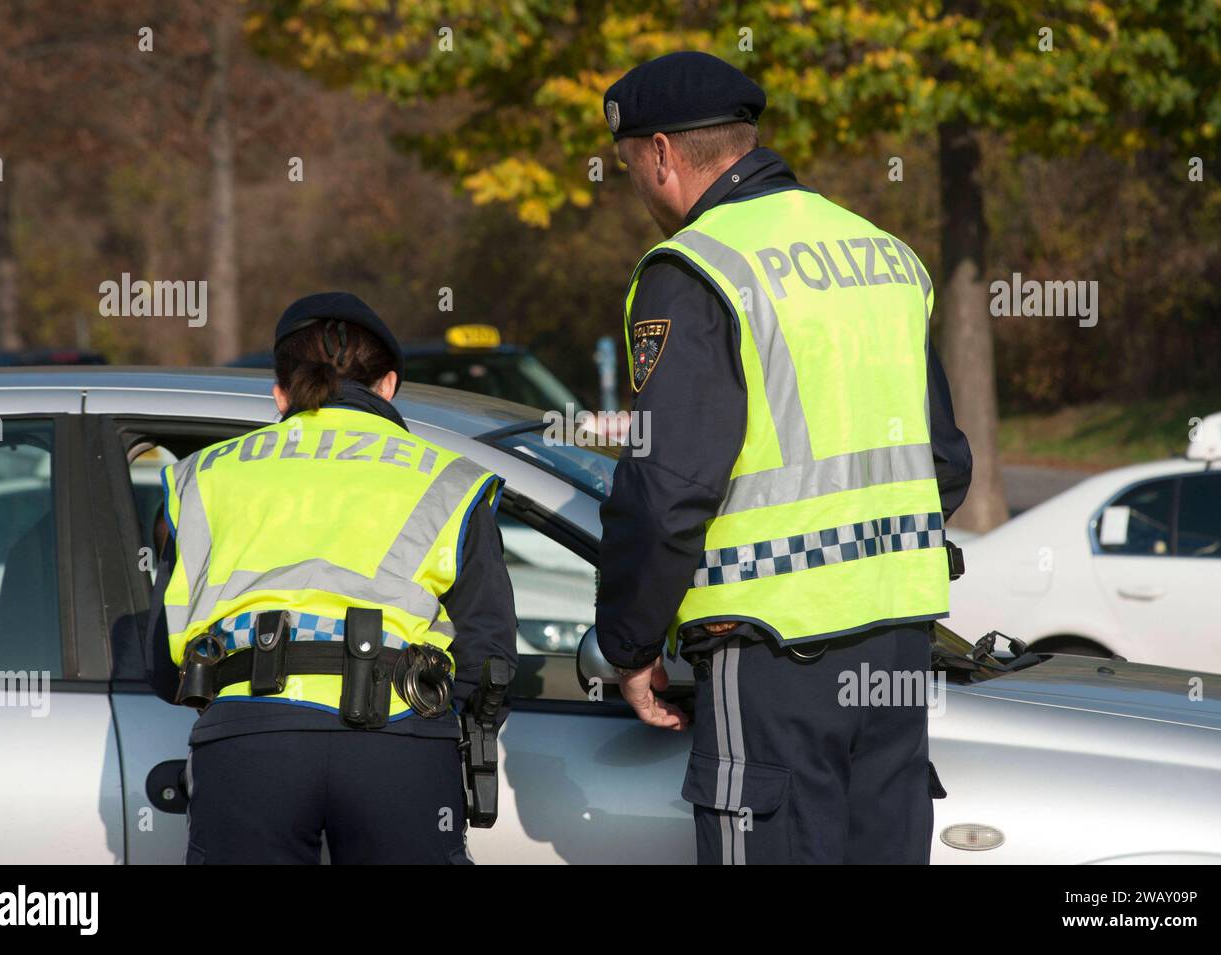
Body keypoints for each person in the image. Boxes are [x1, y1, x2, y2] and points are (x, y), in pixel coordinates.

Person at [596, 52, 973, 864]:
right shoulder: (883, 252)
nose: (636, 186)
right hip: (899, 647)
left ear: (661, 153)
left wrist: (628, 645)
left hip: (771, 652)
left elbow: (666, 492)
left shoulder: (695, 268)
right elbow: (946, 466)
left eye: (629, 167)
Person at [144, 291, 517, 864]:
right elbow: (487, 658)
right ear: (388, 385)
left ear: (280, 392)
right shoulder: (450, 480)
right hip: (396, 743)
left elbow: (162, 663)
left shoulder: (201, 476)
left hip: (251, 742)